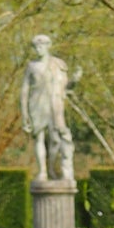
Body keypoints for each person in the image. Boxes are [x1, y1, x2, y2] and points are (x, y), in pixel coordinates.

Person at [21, 35, 76, 181]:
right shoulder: (31, 66)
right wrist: (24, 113)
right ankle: (42, 172)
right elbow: (24, 91)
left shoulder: (58, 65)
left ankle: (52, 167)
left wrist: (75, 80)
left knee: (56, 139)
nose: (38, 49)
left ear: (48, 46)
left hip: (54, 105)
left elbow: (65, 87)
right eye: (36, 47)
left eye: (41, 46)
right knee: (39, 138)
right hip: (36, 105)